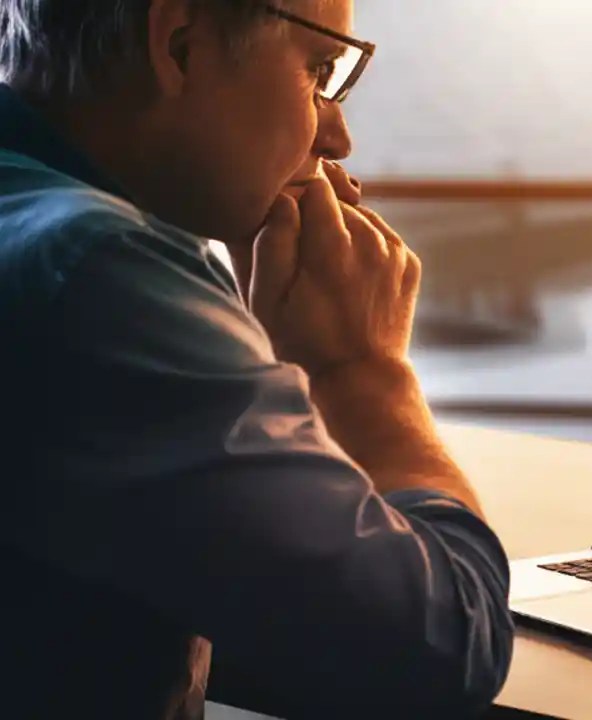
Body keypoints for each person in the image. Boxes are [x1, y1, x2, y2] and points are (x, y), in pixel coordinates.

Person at [0, 0, 513, 717]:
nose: (336, 136)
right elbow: (444, 649)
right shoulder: (100, 268)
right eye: (318, 70)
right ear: (178, 44)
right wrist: (364, 376)